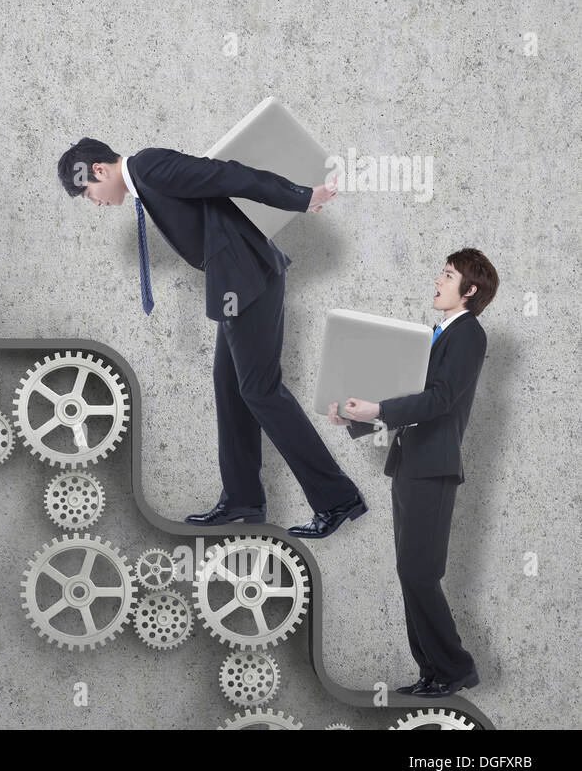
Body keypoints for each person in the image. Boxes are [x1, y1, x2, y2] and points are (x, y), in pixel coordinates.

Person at [57, 138, 367, 536]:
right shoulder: (145, 181)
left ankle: (337, 500)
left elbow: (229, 175)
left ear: (98, 171)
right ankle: (242, 499)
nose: (96, 203)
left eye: (88, 194)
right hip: (236, 286)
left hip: (248, 280)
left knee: (261, 392)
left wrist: (301, 197)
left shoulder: (149, 166)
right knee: (231, 386)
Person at [329, 248, 498, 697]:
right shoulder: (440, 333)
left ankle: (455, 668)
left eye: (447, 275)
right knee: (410, 571)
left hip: (433, 468)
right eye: (441, 272)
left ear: (470, 289)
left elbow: (439, 399)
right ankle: (431, 670)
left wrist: (379, 408)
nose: (437, 280)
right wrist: (359, 418)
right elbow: (413, 395)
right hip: (410, 464)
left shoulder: (469, 335)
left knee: (422, 572)